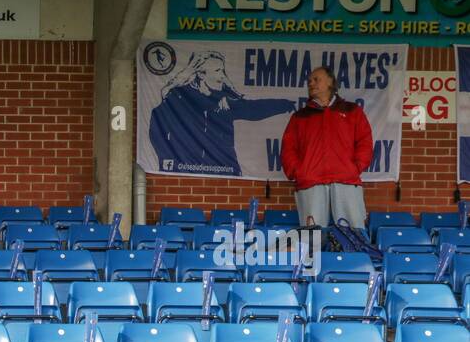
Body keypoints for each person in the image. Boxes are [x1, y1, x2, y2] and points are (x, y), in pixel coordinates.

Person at [148, 51, 297, 176]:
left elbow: (253, 109)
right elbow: (157, 124)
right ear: (201, 74)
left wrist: (284, 104)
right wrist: (167, 158)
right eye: (217, 71)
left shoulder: (225, 98)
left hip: (225, 171)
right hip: (186, 172)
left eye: (223, 70)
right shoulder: (179, 97)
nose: (222, 75)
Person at [280, 66, 374, 228]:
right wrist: (299, 172)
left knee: (353, 236)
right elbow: (288, 148)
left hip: (346, 180)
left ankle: (352, 255)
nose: (311, 83)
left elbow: (365, 142)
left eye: (316, 79)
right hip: (311, 182)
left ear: (330, 82)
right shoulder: (300, 117)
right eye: (309, 81)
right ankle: (314, 254)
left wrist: (355, 167)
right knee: (312, 239)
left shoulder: (352, 111)